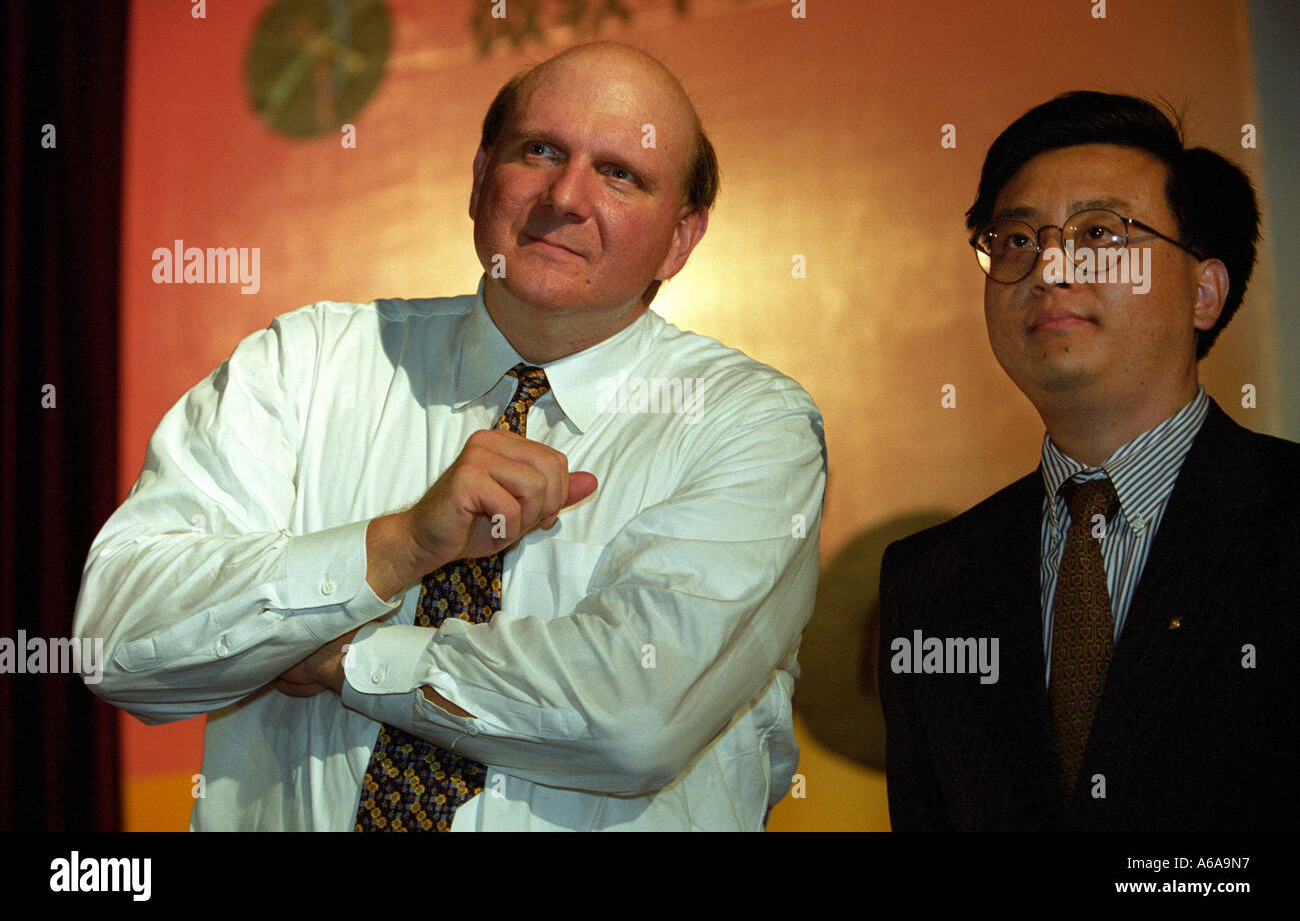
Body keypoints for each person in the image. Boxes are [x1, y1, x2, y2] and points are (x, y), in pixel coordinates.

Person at [74, 42, 826, 831]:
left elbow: (635, 718)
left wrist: (347, 659)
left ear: (682, 236)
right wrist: (397, 546)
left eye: (619, 173)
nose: (565, 197)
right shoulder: (308, 364)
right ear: (479, 177)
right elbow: (117, 639)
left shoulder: (751, 424)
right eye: (540, 150)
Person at [878, 91, 1298, 830]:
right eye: (1014, 240)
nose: (1048, 268)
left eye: (1100, 233)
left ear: (1204, 291)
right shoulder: (930, 582)